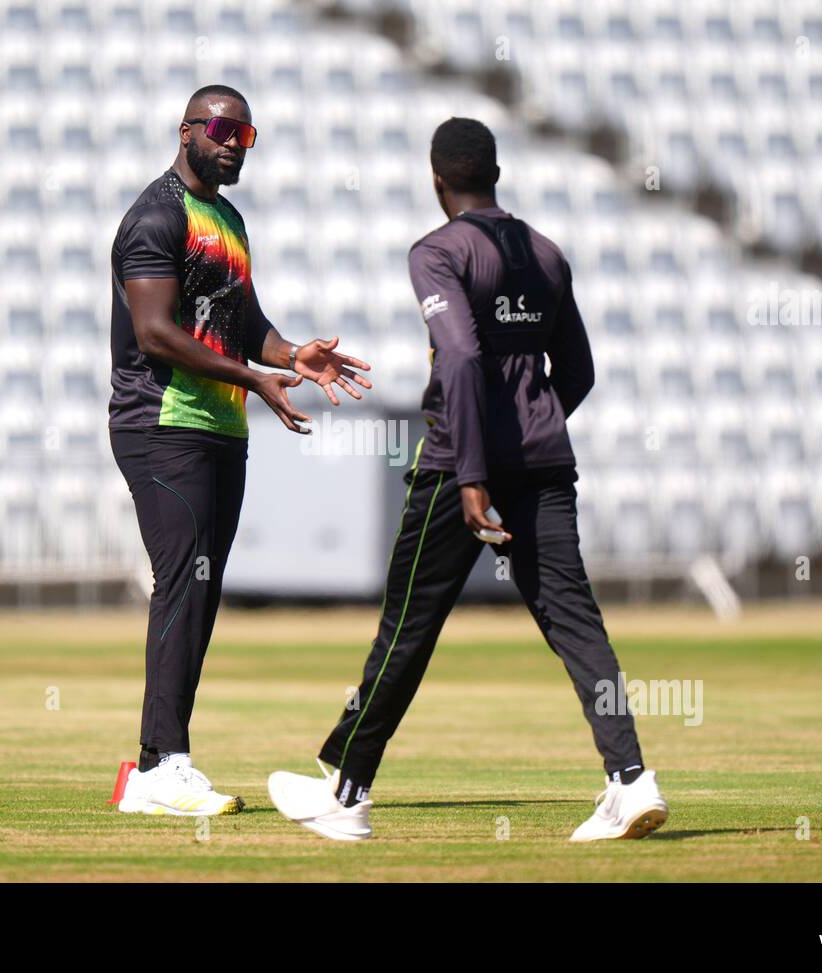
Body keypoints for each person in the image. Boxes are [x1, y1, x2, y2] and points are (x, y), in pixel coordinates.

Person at [267, 117, 667, 841]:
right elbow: (577, 371)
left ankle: (348, 798)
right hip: (543, 465)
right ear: (497, 175)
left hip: (458, 469)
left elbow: (457, 359)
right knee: (578, 625)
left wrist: (478, 471)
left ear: (436, 178)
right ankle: (632, 780)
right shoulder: (545, 253)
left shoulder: (437, 252)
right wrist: (528, 425)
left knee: (406, 629)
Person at [110, 85, 371, 816]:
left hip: (218, 425)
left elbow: (243, 322)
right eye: (221, 128)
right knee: (181, 587)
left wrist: (293, 355)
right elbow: (156, 331)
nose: (232, 142)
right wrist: (254, 379)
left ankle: (156, 766)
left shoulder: (226, 217)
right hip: (160, 422)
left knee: (201, 591)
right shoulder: (154, 216)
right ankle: (164, 767)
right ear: (187, 129)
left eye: (245, 134)